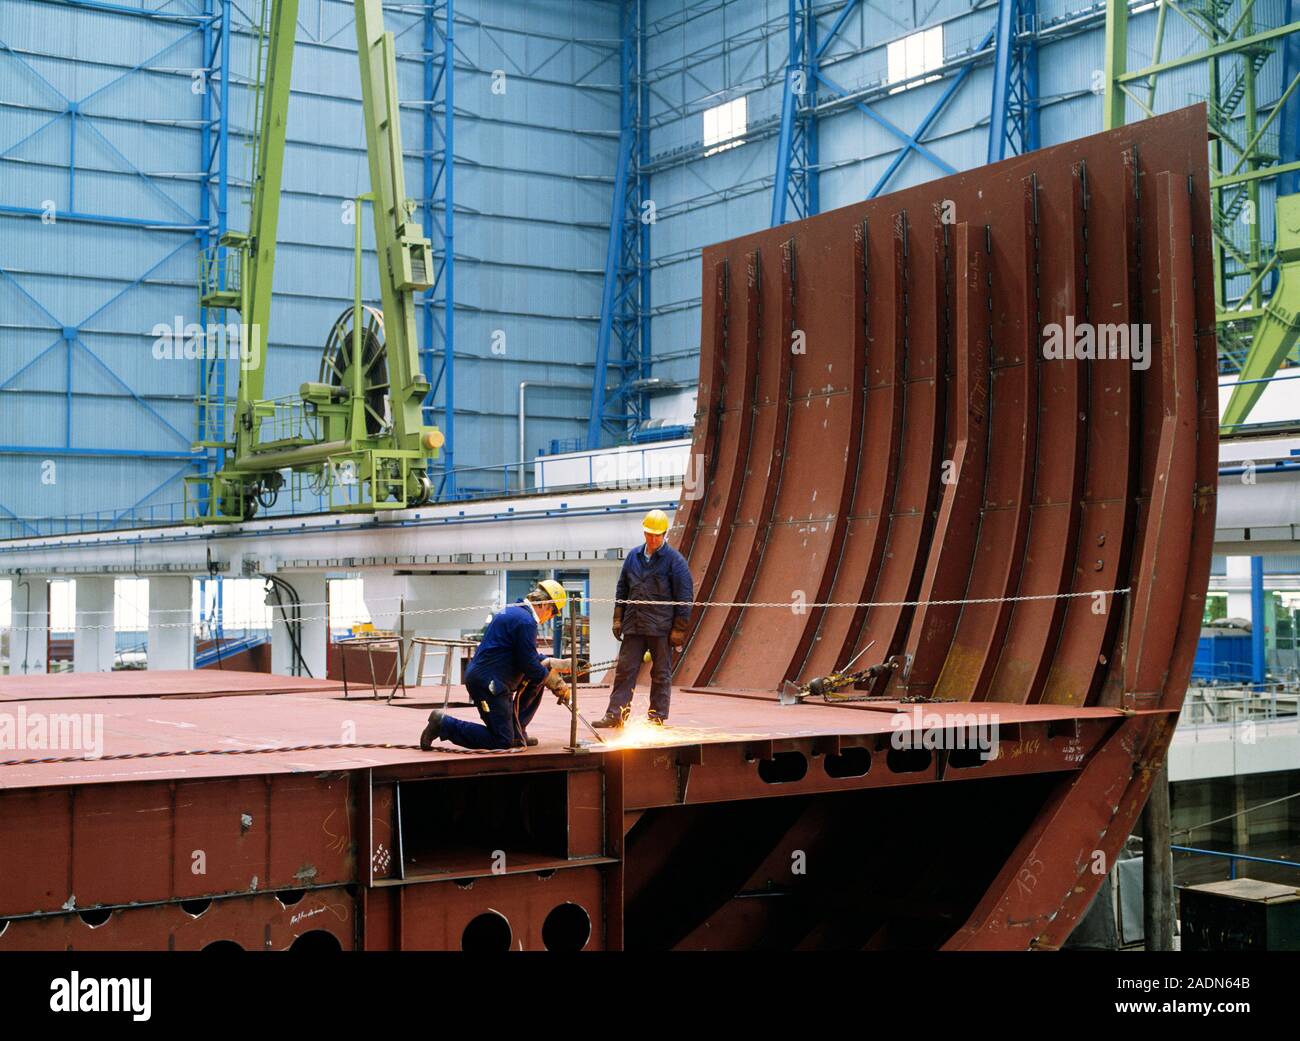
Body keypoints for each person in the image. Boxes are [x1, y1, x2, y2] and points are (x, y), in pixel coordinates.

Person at [419, 579, 571, 750]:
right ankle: (443, 724)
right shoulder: (526, 622)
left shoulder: (514, 612)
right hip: (489, 685)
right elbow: (528, 664)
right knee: (502, 741)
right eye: (553, 612)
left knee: (538, 677)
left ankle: (516, 731)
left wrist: (557, 663)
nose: (550, 618)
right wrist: (556, 683)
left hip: (487, 678)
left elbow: (523, 653)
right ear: (544, 604)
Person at [593, 509, 693, 728]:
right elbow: (623, 587)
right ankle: (615, 715)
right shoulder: (634, 556)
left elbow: (685, 597)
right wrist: (618, 617)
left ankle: (656, 718)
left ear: (665, 534)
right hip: (634, 625)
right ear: (644, 532)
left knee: (660, 674)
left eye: (657, 535)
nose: (653, 538)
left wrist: (679, 630)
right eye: (649, 534)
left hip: (661, 628)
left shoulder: (675, 561)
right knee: (625, 671)